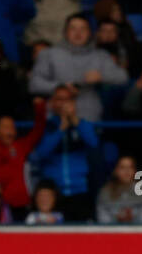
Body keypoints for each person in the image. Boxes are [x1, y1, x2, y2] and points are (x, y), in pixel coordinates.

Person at [28, 12, 128, 125]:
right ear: (65, 32)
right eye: (73, 28)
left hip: (90, 117)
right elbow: (34, 84)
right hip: (56, 117)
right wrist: (60, 87)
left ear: (90, 33)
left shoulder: (100, 55)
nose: (78, 33)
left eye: (83, 29)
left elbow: (123, 77)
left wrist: (101, 76)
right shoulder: (49, 54)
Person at [32, 84, 99, 221]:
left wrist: (74, 120)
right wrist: (61, 129)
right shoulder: (46, 126)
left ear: (73, 103)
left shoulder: (82, 124)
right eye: (59, 99)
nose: (63, 104)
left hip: (80, 191)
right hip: (55, 194)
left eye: (67, 100)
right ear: (52, 103)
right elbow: (41, 153)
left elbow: (93, 142)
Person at [95, 154, 142, 224]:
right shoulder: (105, 192)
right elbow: (103, 220)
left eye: (130, 167)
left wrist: (131, 219)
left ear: (135, 170)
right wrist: (117, 220)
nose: (127, 171)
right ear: (115, 170)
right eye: (122, 167)